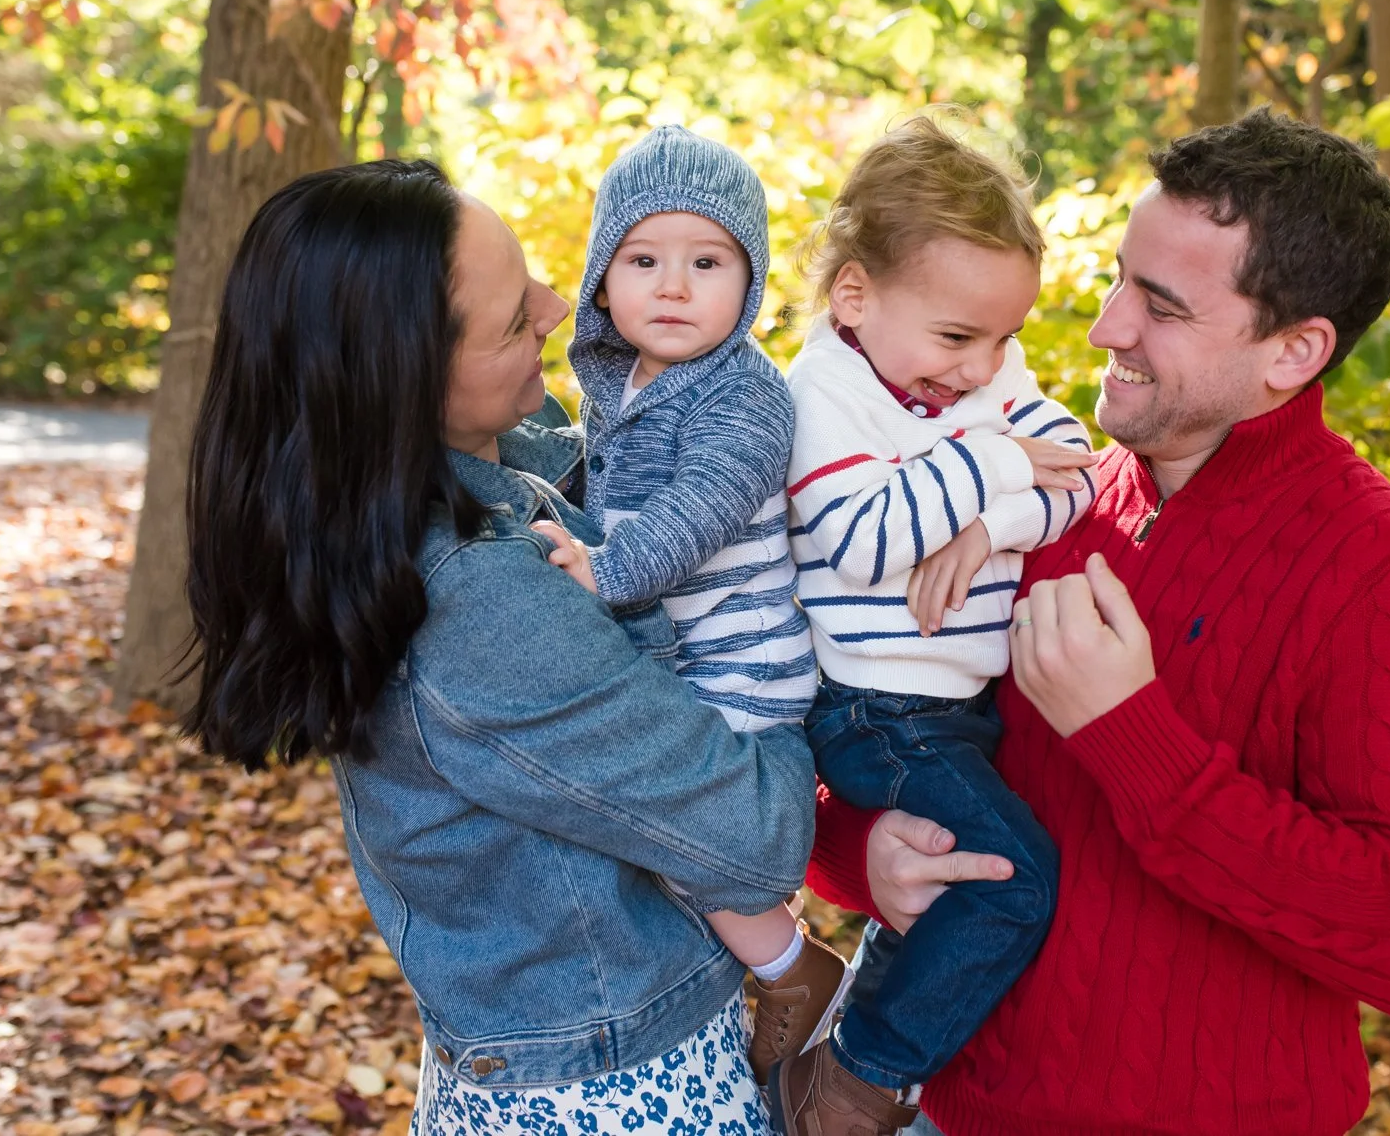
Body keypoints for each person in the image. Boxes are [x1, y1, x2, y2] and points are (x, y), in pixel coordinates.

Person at [806, 108, 1390, 1136]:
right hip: (935, 1108)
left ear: (1292, 352)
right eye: (1119, 275)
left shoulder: (1386, 575)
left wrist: (1131, 736)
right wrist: (864, 852)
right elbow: (876, 734)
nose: (1103, 327)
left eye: (1159, 305)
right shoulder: (1043, 494)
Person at [179, 159, 815, 1136]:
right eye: (518, 317)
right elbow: (755, 833)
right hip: (614, 1097)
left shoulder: (430, 490)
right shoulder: (473, 592)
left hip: (551, 1061)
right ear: (406, 379)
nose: (563, 308)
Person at [771, 117, 1098, 1136]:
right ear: (854, 296)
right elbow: (866, 538)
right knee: (1013, 880)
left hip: (957, 701)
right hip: (876, 707)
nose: (983, 366)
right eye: (958, 337)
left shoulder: (981, 370)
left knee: (958, 879)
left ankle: (848, 1039)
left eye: (1003, 339)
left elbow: (1074, 469)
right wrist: (995, 465)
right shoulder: (818, 392)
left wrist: (990, 519)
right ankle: (855, 1079)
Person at [531, 125, 851, 1082]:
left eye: (706, 261)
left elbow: (701, 506)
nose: (672, 286)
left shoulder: (745, 395)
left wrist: (606, 569)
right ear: (601, 277)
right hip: (681, 647)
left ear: (748, 284)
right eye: (643, 259)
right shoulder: (621, 380)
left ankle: (792, 967)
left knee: (669, 825)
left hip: (745, 662)